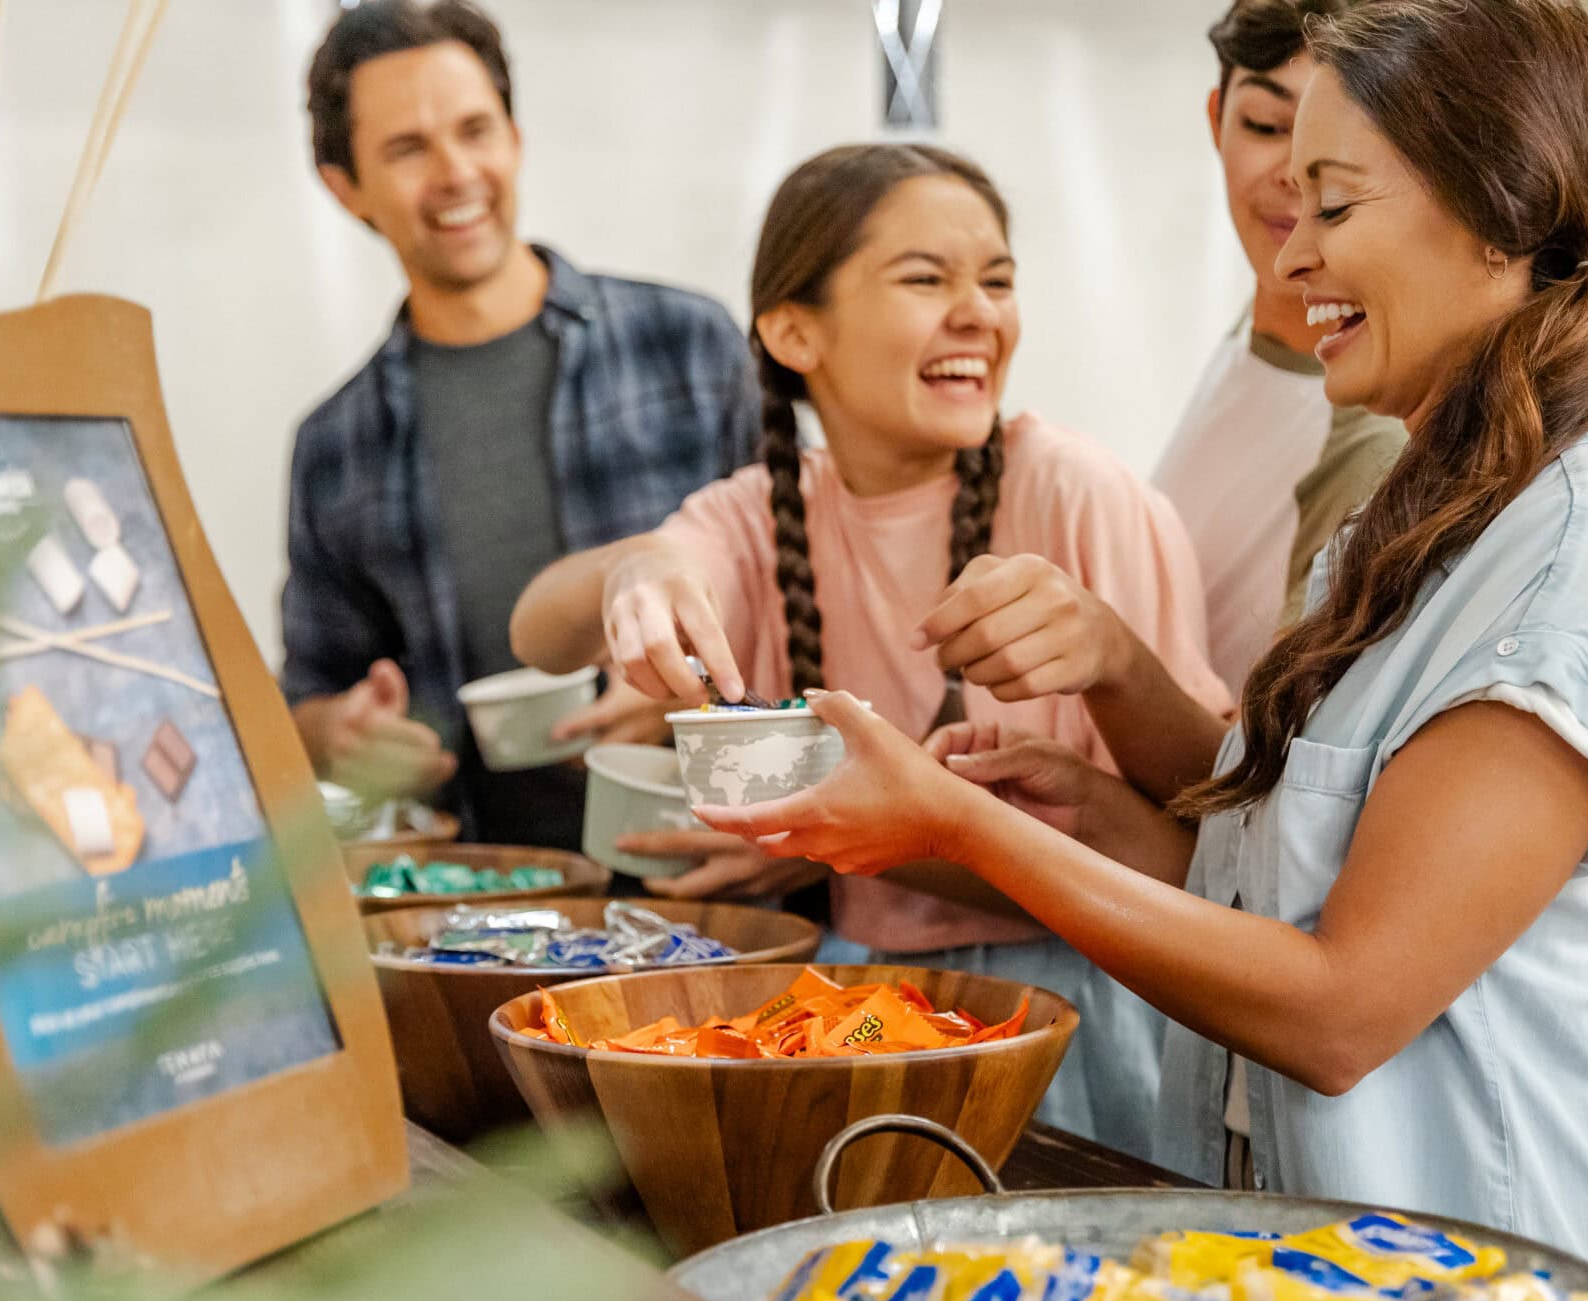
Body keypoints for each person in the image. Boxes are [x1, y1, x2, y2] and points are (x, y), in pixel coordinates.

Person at [695, 3, 1588, 1301]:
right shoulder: (1394, 526)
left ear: (1500, 211)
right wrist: (1107, 703)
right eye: (1287, 205)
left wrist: (961, 828)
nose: (1292, 263)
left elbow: (1342, 1000)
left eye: (1332, 206)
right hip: (1324, 1279)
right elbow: (1261, 862)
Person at [510, 143, 1230, 1152]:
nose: (977, 310)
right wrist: (634, 569)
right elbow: (538, 628)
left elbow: (1197, 849)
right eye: (924, 278)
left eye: (997, 279)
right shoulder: (764, 515)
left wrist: (812, 834)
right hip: (859, 1000)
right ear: (793, 330)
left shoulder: (1075, 493)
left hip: (1097, 1014)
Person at [280, 0, 759, 846]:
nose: (456, 171)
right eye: (407, 148)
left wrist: (694, 690)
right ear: (344, 186)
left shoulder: (686, 343)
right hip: (490, 910)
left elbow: (811, 587)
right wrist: (338, 731)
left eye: (475, 129)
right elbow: (309, 692)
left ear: (516, 138)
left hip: (724, 872)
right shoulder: (335, 445)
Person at [1153, 0, 1406, 689]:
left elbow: (1270, 770)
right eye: (1266, 126)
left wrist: (1111, 661)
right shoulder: (1254, 335)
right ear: (1216, 120)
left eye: (1339, 136)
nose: (1294, 173)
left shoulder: (1375, 426)